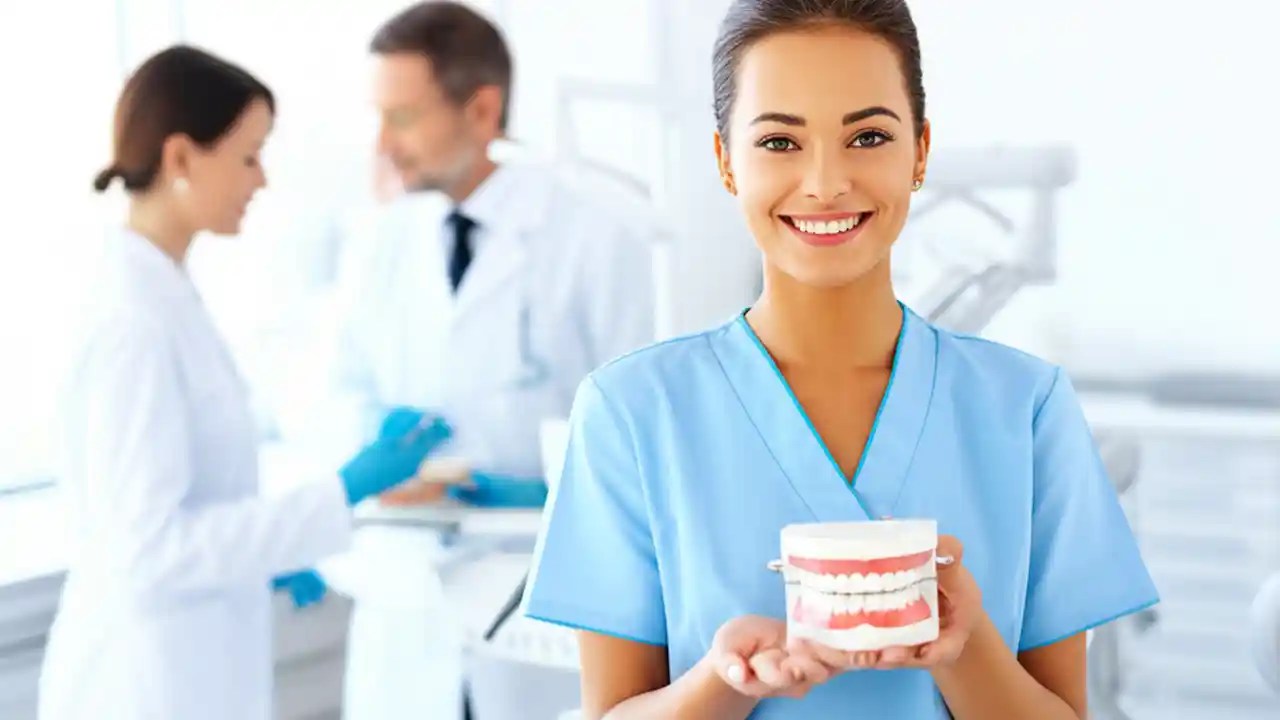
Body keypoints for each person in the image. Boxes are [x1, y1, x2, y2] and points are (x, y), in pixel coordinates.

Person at [523, 1, 1161, 718]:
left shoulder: (1027, 409)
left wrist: (965, 642)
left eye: (867, 136)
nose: (825, 183)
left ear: (920, 151)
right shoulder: (632, 411)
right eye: (779, 142)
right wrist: (725, 681)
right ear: (726, 161)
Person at [37, 46, 448, 720]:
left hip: (185, 664)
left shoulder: (163, 293)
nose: (261, 180)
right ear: (181, 158)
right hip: (142, 685)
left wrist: (268, 558)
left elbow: (177, 507)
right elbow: (150, 549)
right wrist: (340, 492)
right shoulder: (133, 320)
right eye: (249, 156)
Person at [323, 2, 659, 718]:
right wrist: (375, 445)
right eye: (378, 117)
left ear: (481, 110)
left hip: (537, 595)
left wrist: (542, 493)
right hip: (406, 603)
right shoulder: (377, 242)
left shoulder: (596, 238)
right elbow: (342, 388)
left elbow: (637, 440)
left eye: (403, 118)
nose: (383, 144)